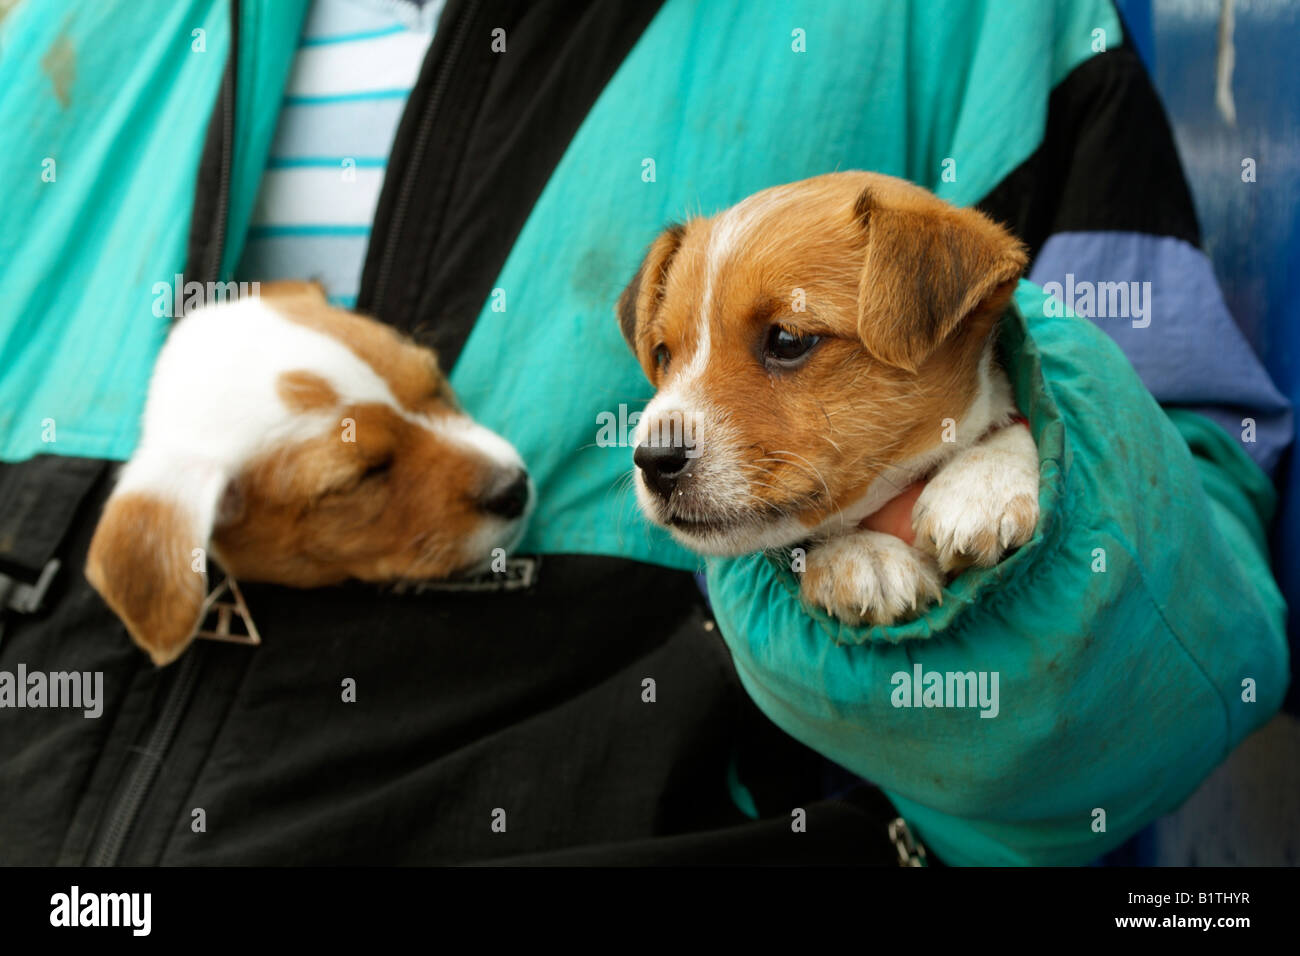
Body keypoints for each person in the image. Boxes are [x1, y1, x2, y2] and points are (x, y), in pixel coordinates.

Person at [0, 0, 1288, 866]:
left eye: (782, 343)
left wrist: (945, 603)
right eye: (663, 355)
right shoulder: (69, 32)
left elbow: (1195, 632)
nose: (661, 422)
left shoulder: (959, 27)